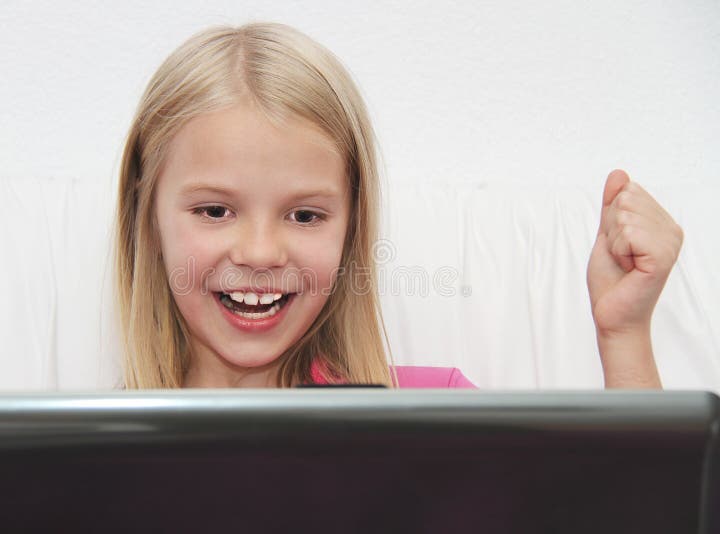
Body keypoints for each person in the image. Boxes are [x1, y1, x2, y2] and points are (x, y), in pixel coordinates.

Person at [114, 22, 683, 390]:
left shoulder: (438, 417)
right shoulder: (84, 453)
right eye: (215, 211)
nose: (260, 251)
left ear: (351, 230)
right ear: (146, 219)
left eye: (305, 215)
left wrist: (624, 338)